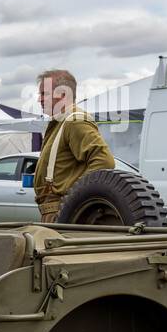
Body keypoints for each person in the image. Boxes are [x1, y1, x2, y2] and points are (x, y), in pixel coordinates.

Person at [35, 69, 116, 224]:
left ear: (63, 94)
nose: (40, 100)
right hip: (58, 210)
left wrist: (75, 195)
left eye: (44, 93)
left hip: (64, 211)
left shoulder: (75, 121)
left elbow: (104, 161)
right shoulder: (62, 122)